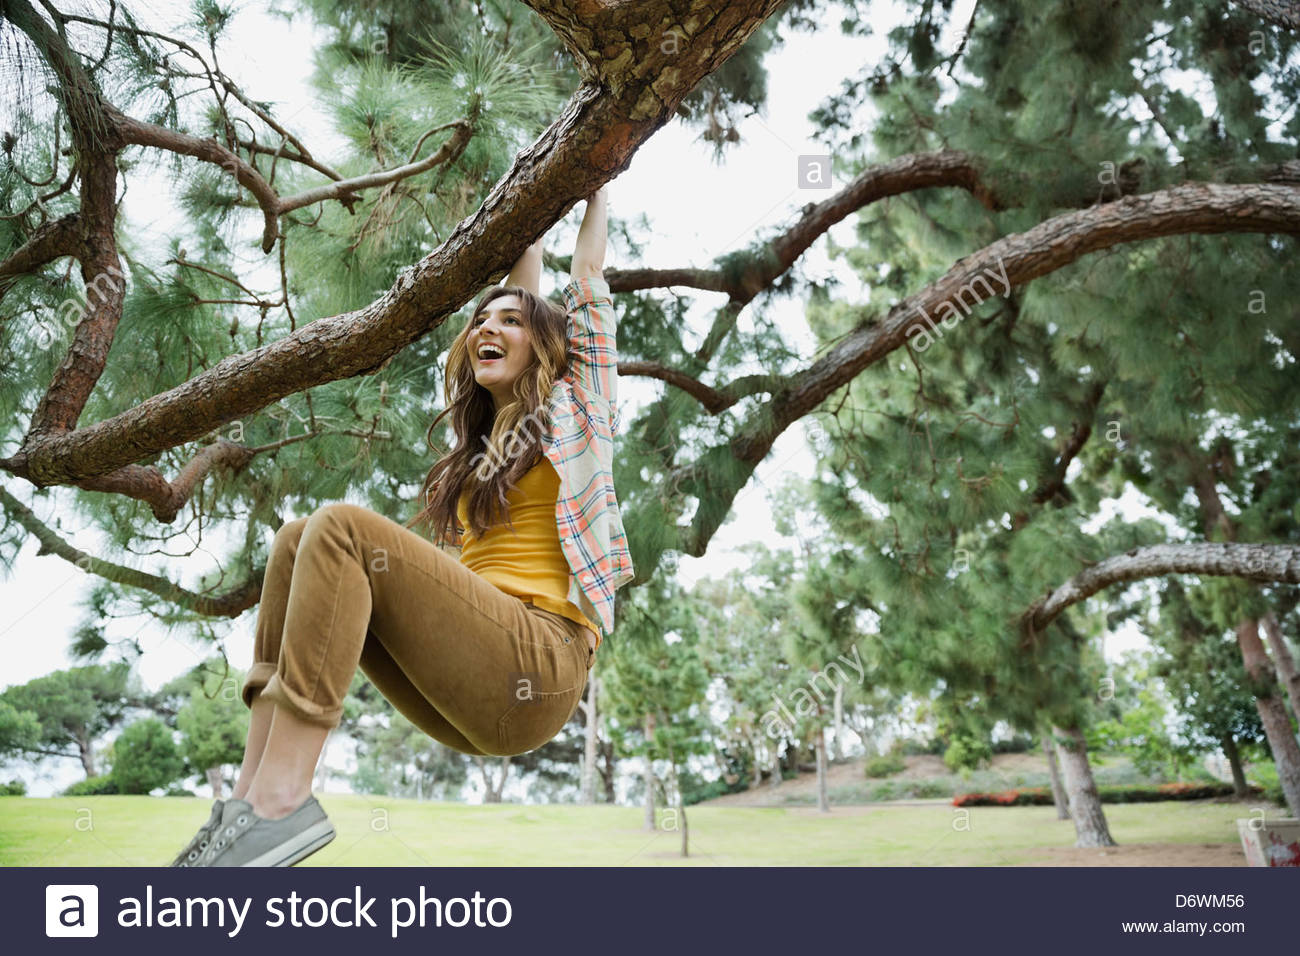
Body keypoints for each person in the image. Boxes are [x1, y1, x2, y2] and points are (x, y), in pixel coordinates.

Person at [169, 188, 634, 867]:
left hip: (542, 662)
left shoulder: (578, 410)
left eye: (509, 321)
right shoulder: (479, 450)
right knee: (297, 539)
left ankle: (283, 805)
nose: (487, 329)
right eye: (481, 321)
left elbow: (587, 285)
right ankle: (248, 805)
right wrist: (526, 244)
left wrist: (595, 192)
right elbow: (516, 293)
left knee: (342, 529)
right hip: (476, 684)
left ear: (549, 346)